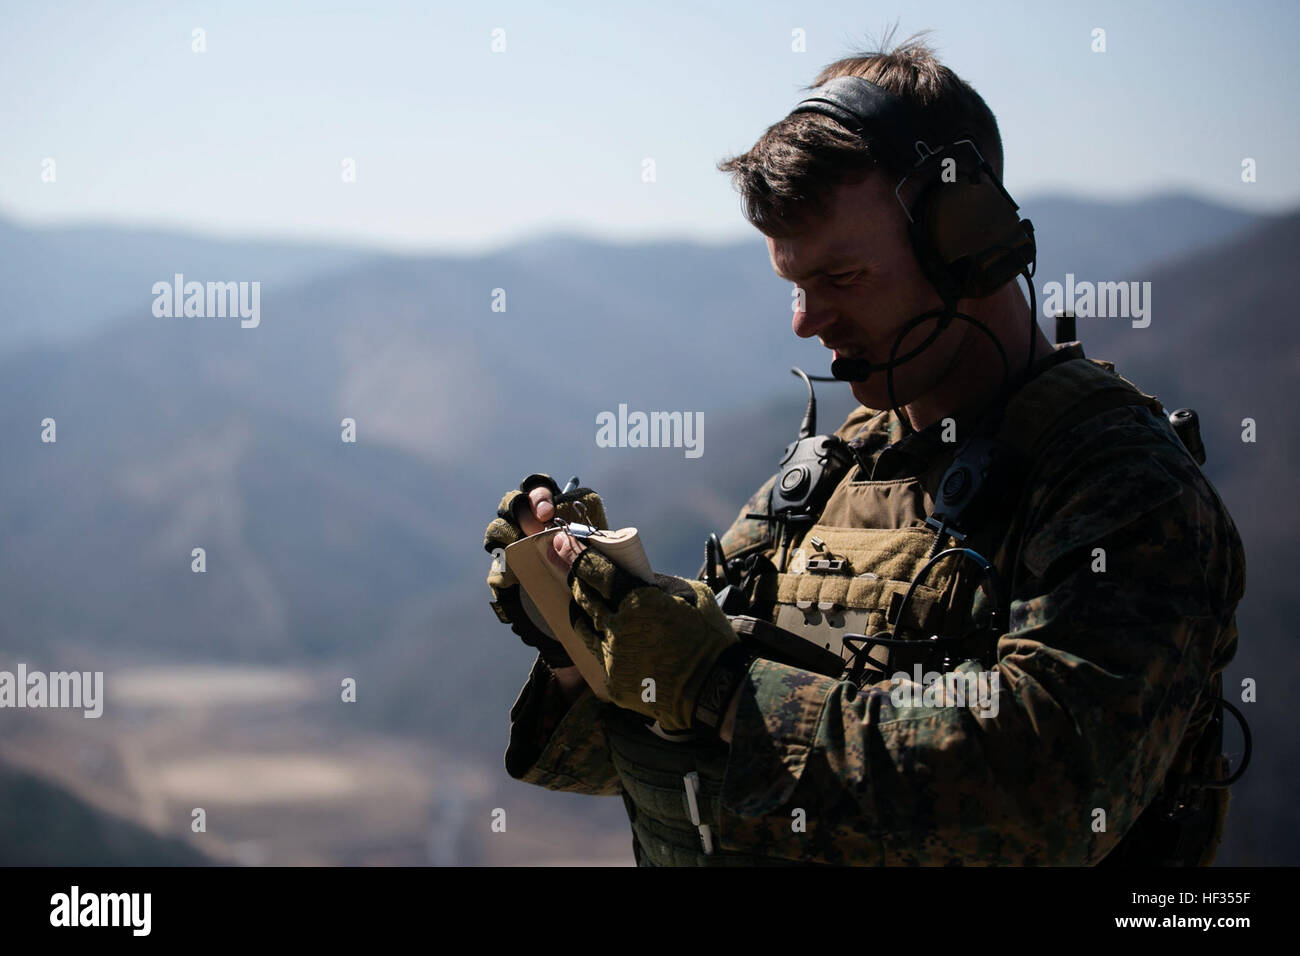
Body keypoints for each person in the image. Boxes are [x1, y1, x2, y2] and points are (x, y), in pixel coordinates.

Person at [483, 35, 1245, 866]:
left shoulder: (1117, 484)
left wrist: (725, 688)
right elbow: (669, 757)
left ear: (968, 246)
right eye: (796, 287)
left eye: (843, 280)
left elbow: (1053, 794)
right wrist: (581, 631)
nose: (807, 322)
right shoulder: (825, 480)